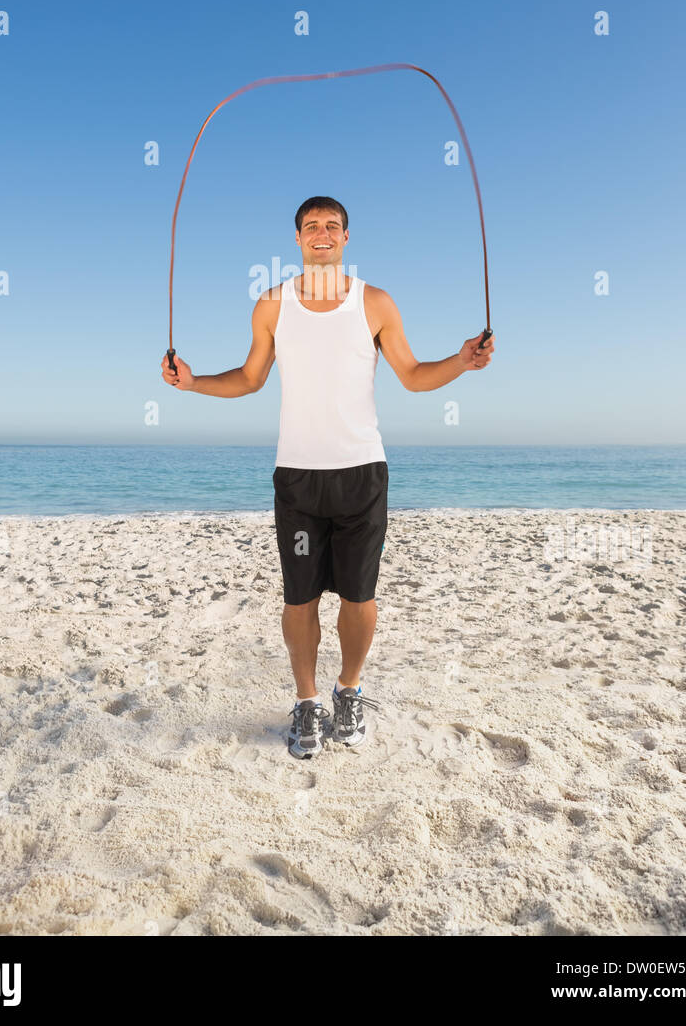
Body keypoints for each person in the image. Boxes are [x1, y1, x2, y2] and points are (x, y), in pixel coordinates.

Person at [161, 197, 495, 759]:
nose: (322, 233)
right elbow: (249, 378)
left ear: (346, 238)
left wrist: (460, 361)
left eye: (332, 226)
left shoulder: (376, 303)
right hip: (297, 476)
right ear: (296, 239)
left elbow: (412, 377)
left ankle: (349, 691)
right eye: (311, 226)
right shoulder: (272, 304)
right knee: (300, 599)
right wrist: (192, 383)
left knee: (359, 597)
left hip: (361, 472)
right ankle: (307, 702)